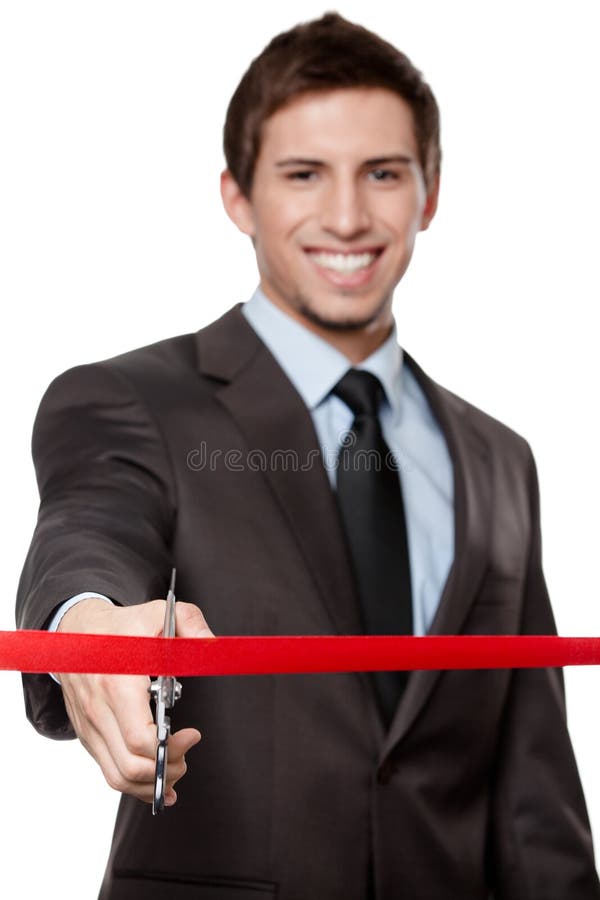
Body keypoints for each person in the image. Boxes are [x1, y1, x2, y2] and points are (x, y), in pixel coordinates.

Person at [16, 11, 600, 900]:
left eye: (383, 174)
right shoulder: (131, 401)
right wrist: (84, 628)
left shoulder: (499, 458)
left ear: (429, 194)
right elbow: (90, 525)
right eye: (303, 174)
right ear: (238, 197)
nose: (347, 216)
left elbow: (534, 791)